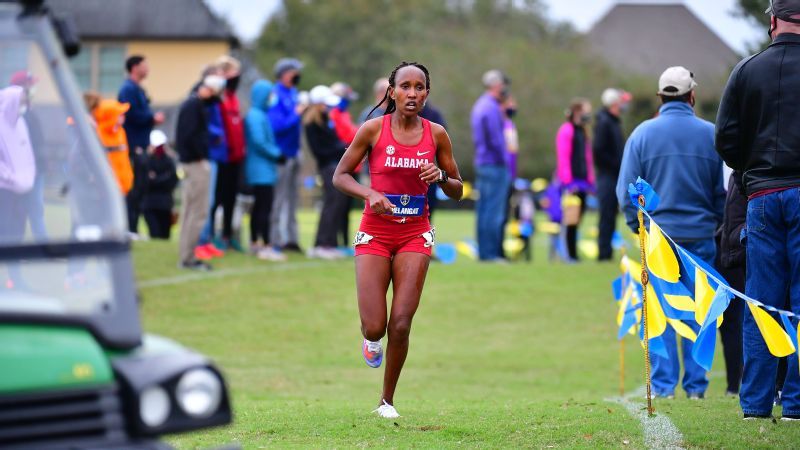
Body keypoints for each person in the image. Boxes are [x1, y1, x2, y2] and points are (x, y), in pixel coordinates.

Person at [332, 62, 463, 418]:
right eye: (405, 86)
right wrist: (368, 193)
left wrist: (440, 177)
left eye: (419, 87)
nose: (412, 93)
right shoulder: (373, 130)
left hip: (415, 233)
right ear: (392, 92)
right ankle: (370, 339)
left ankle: (386, 400)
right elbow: (340, 176)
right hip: (375, 231)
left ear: (426, 94)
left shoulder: (436, 134)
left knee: (401, 323)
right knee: (375, 325)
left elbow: (458, 189)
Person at [617, 66, 725, 399]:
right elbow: (723, 191)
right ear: (692, 95)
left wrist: (639, 228)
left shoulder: (642, 134)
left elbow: (626, 191)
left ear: (661, 97)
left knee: (662, 311)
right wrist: (715, 223)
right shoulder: (711, 134)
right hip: (701, 235)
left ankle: (663, 387)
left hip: (658, 238)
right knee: (699, 309)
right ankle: (696, 388)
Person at [715, 0, 800, 420]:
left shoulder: (747, 70)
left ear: (772, 20)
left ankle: (756, 403)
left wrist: (749, 174)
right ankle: (797, 403)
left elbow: (726, 139)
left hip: (762, 195)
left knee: (761, 301)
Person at [175, 74, 226, 271]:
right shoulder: (193, 106)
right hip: (195, 164)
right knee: (197, 211)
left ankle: (186, 255)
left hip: (192, 162)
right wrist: (199, 157)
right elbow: (188, 137)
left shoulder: (193, 105)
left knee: (190, 211)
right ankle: (188, 258)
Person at [118, 55, 165, 237]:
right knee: (134, 189)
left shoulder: (138, 89)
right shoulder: (128, 89)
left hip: (142, 145)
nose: (148, 69)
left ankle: (134, 228)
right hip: (133, 146)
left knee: (141, 189)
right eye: (144, 65)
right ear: (134, 67)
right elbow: (130, 115)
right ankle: (129, 228)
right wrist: (151, 118)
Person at [244, 80, 287, 262]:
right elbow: (259, 142)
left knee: (259, 208)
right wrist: (277, 154)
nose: (272, 98)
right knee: (264, 207)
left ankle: (255, 242)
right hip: (260, 169)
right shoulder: (255, 116)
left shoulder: (260, 114)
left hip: (262, 168)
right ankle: (266, 245)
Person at [305, 85, 349, 259]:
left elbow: (334, 143)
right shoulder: (312, 124)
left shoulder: (326, 120)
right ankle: (322, 243)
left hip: (335, 165)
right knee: (331, 203)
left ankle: (329, 243)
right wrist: (341, 149)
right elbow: (320, 150)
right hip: (327, 167)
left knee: (337, 203)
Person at [471, 69, 510, 262]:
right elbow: (496, 140)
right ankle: (491, 254)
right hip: (494, 165)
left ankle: (484, 252)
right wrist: (506, 160)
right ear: (497, 85)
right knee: (494, 212)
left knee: (483, 210)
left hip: (483, 163)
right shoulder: (492, 107)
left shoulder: (480, 105)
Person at [268, 57, 306, 253]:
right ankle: (275, 239)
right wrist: (296, 113)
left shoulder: (293, 92)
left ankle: (292, 239)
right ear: (285, 74)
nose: (298, 74)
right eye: (294, 71)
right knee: (278, 199)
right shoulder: (276, 94)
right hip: (281, 155)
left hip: (294, 152)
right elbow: (277, 126)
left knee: (293, 200)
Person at [716, 171, 745, 397]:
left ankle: (738, 385)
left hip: (734, 242)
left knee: (739, 318)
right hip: (729, 241)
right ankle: (734, 384)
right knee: (731, 319)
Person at [213, 55, 246, 252]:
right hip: (222, 156)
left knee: (231, 198)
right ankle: (213, 235)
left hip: (236, 156)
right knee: (217, 197)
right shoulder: (218, 98)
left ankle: (227, 234)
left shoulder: (234, 98)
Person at [556, 98, 595, 262]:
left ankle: (573, 254)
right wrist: (567, 181)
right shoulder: (566, 130)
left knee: (578, 219)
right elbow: (563, 157)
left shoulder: (583, 131)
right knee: (570, 219)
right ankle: (568, 255)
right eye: (586, 111)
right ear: (577, 112)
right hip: (571, 184)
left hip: (583, 182)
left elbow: (586, 157)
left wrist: (591, 180)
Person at [593, 88, 629, 261]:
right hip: (607, 176)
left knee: (611, 214)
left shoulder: (612, 121)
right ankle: (603, 253)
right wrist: (616, 165)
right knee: (606, 214)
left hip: (613, 175)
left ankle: (607, 252)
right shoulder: (604, 122)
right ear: (614, 103)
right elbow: (598, 150)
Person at [142, 130, 178, 240]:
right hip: (151, 204)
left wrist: (156, 178)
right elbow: (146, 181)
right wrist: (163, 178)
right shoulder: (146, 160)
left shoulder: (169, 161)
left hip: (165, 204)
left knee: (164, 235)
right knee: (155, 234)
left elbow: (172, 180)